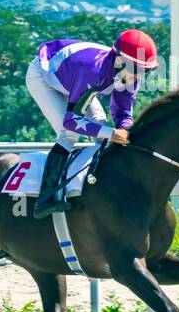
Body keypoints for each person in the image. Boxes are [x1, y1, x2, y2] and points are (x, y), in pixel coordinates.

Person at [25, 29, 160, 219]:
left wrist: (125, 129)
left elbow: (122, 113)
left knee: (101, 127)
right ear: (120, 61)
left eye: (145, 71)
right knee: (68, 134)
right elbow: (72, 121)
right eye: (137, 70)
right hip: (44, 77)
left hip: (74, 79)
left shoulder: (126, 73)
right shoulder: (93, 72)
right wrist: (112, 134)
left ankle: (102, 188)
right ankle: (45, 200)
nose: (138, 77)